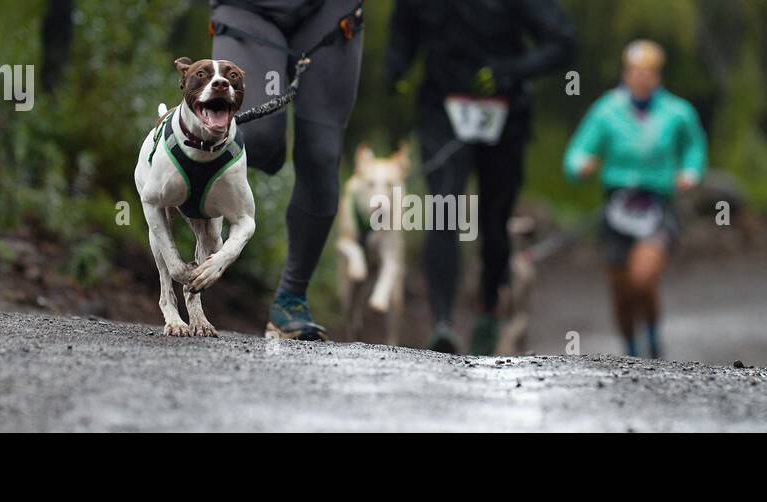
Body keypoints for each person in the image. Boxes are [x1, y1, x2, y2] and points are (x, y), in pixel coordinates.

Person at [385, 0, 575, 355]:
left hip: (506, 110)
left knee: (493, 218)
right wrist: (395, 69)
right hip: (441, 106)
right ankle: (442, 322)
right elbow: (403, 29)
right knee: (445, 207)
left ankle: (489, 309)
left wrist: (510, 70)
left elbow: (563, 44)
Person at [209, 0, 363, 340]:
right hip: (250, 9)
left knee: (322, 153)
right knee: (259, 136)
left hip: (329, 12)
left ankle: (290, 300)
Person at [562, 40, 706, 359]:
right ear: (626, 74)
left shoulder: (677, 112)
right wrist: (580, 166)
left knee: (642, 280)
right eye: (635, 72)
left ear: (658, 76)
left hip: (657, 205)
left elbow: (694, 148)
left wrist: (689, 173)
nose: (641, 78)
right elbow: (577, 151)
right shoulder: (606, 110)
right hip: (616, 207)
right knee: (621, 291)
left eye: (648, 72)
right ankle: (630, 351)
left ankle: (653, 341)